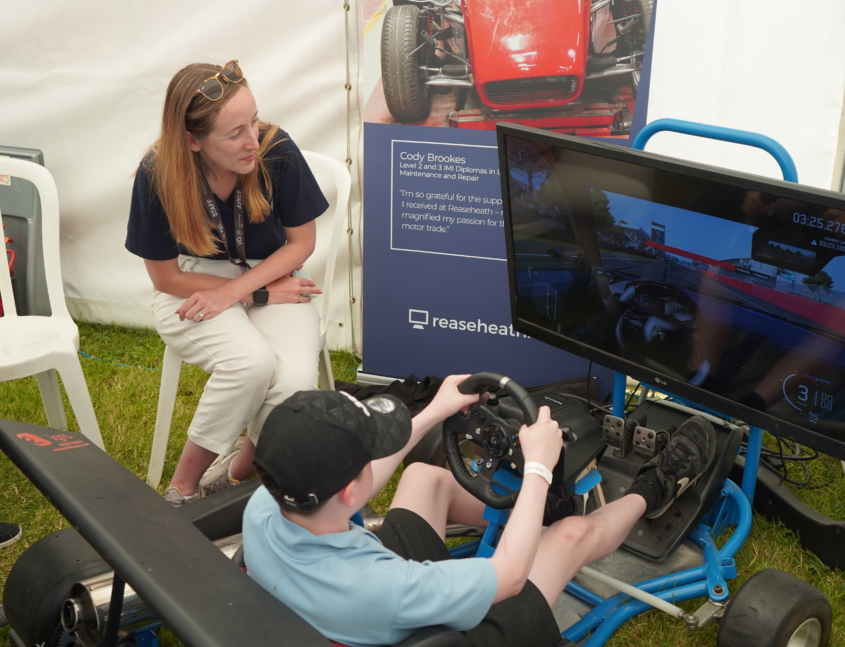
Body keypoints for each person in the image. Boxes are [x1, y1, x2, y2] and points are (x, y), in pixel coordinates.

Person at [243, 376, 717, 647]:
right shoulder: (390, 587)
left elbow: (367, 475)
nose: (375, 455)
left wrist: (435, 410)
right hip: (437, 636)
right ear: (350, 492)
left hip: (343, 609)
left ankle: (537, 509)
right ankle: (654, 490)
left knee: (422, 477)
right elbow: (508, 577)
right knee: (570, 535)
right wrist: (538, 468)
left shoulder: (267, 506)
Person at [126, 60, 328, 506]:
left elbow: (301, 243)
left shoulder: (276, 148)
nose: (253, 140)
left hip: (273, 272)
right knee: (250, 363)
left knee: (294, 383)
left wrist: (245, 291)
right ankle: (182, 490)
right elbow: (165, 276)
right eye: (235, 133)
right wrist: (256, 293)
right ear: (191, 141)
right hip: (192, 283)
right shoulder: (158, 172)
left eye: (254, 121)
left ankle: (235, 475)